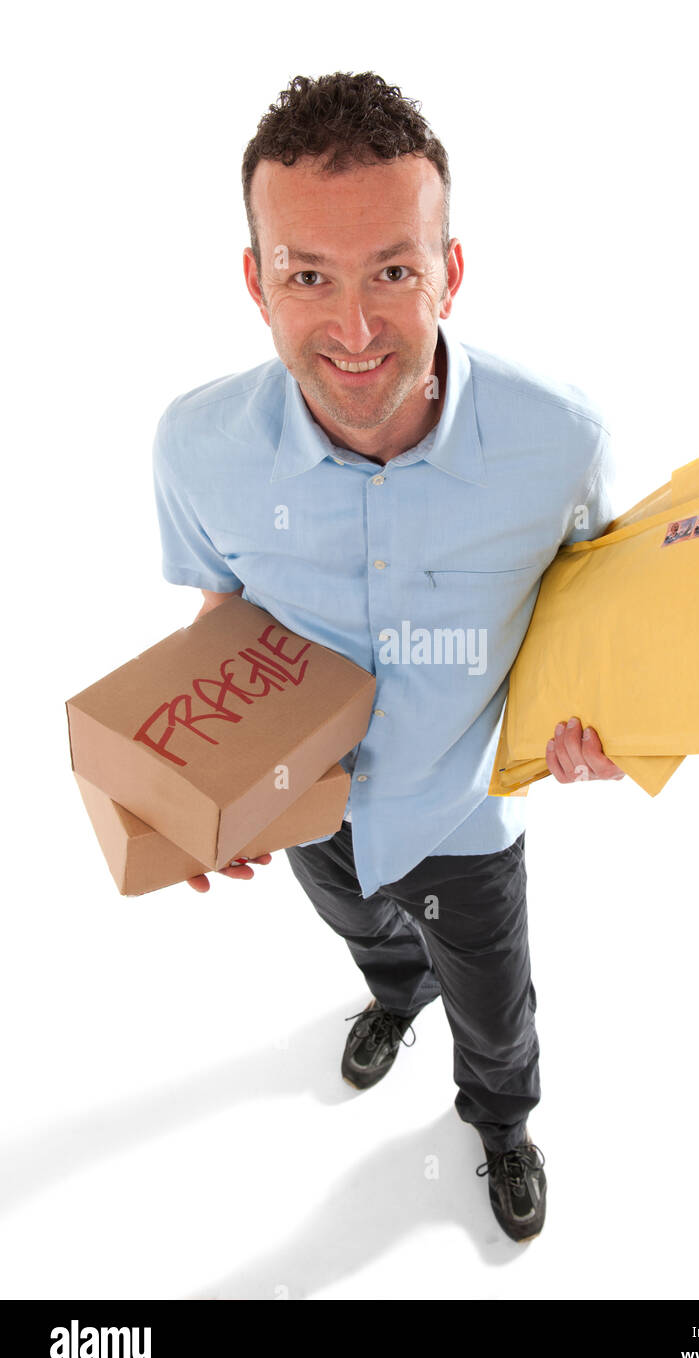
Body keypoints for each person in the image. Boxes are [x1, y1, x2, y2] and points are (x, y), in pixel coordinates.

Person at [152, 70, 624, 1244]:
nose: (354, 329)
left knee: (496, 1009)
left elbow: (597, 617)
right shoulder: (192, 448)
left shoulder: (560, 440)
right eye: (308, 274)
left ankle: (499, 1122)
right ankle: (389, 992)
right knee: (363, 932)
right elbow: (224, 619)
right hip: (312, 809)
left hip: (466, 820)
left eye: (393, 274)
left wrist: (612, 720)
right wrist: (202, 778)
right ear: (256, 282)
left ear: (448, 273)